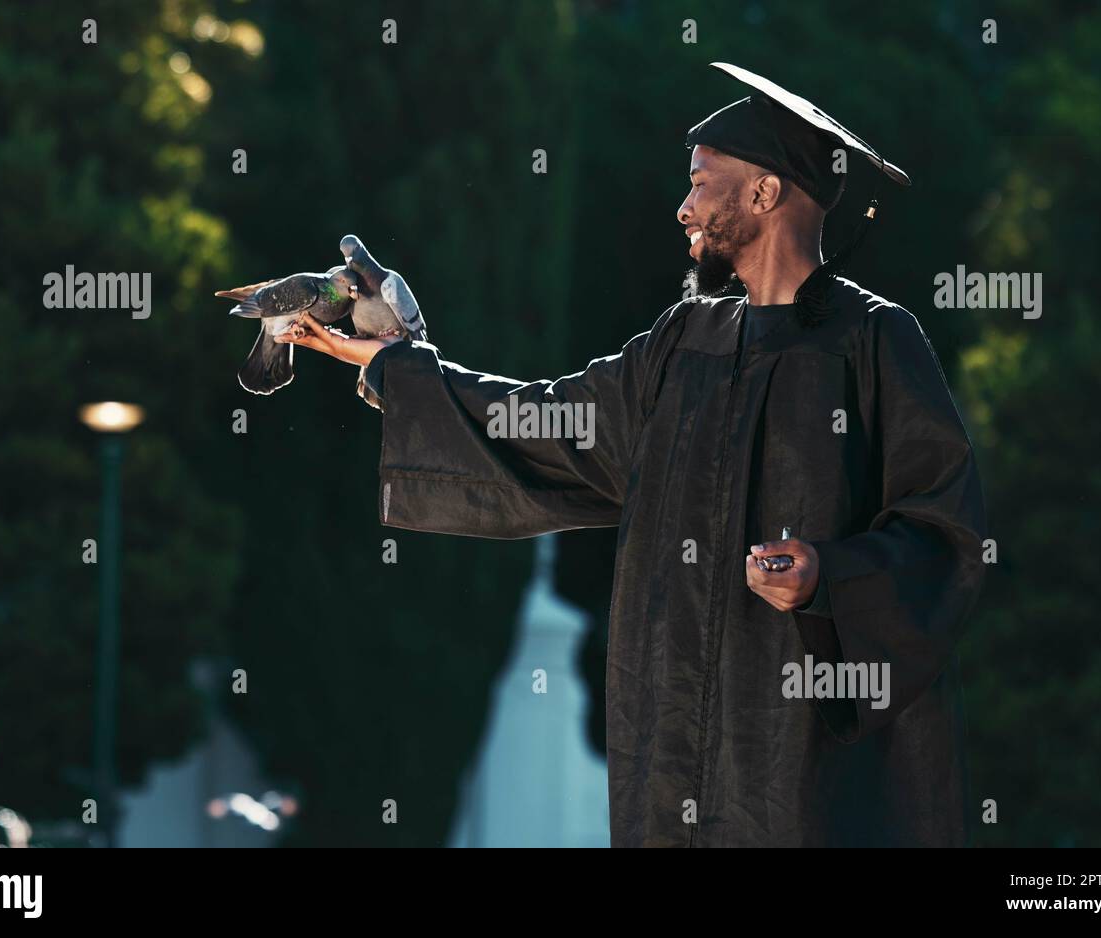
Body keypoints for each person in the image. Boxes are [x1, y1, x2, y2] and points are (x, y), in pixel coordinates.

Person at [279, 63, 987, 847]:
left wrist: (827, 575)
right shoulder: (685, 343)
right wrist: (399, 366)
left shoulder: (874, 341)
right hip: (669, 744)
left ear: (763, 194)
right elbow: (553, 421)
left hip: (795, 754)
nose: (683, 207)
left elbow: (942, 533)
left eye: (701, 182)